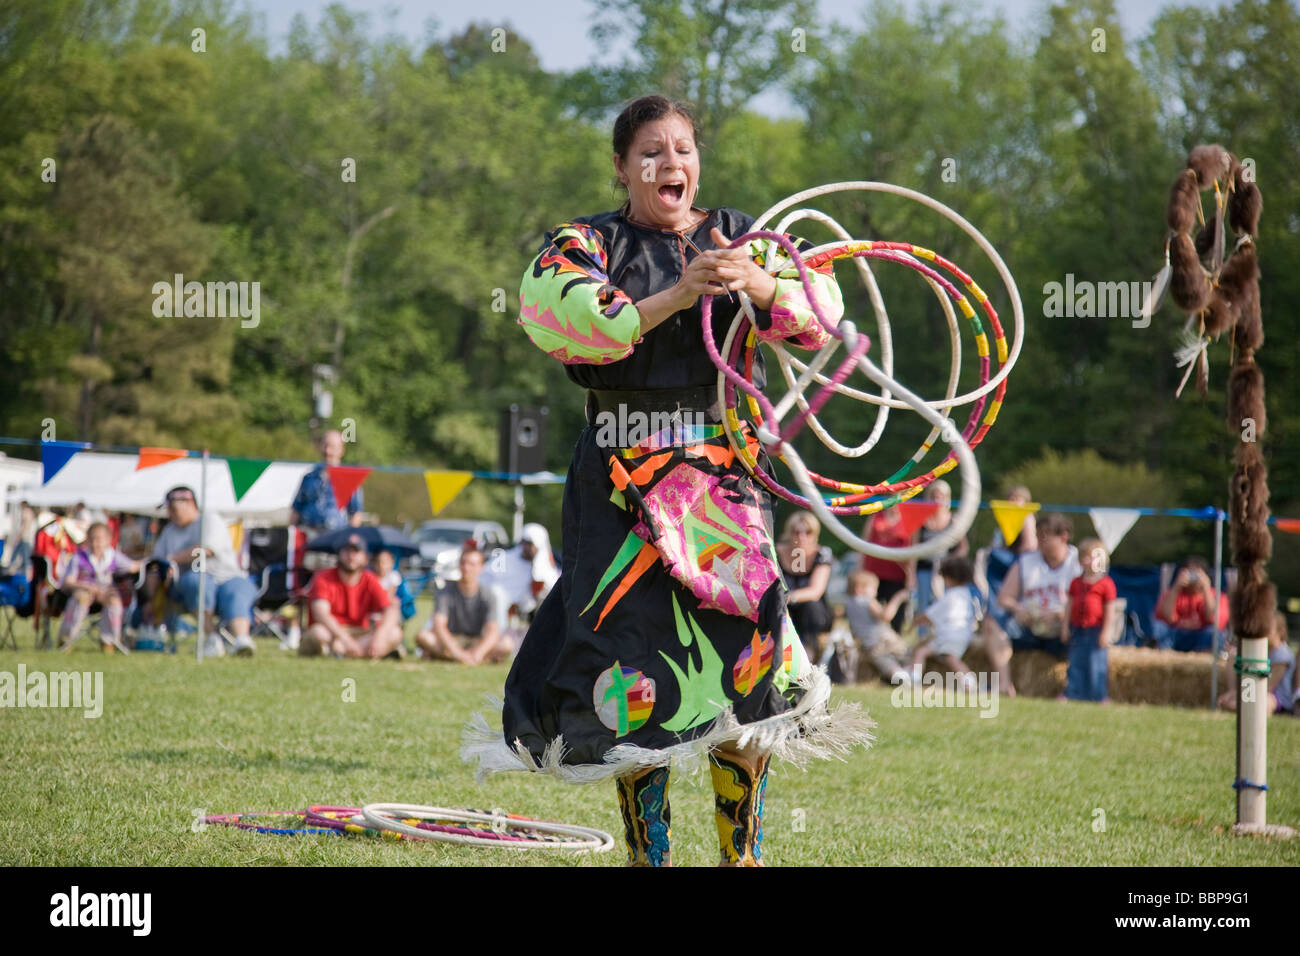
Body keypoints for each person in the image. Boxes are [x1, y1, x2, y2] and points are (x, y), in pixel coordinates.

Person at [466, 94, 867, 868]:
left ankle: (738, 855)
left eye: (682, 148)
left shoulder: (743, 235)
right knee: (635, 672)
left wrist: (753, 282)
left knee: (749, 676)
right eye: (650, 151)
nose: (670, 163)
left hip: (723, 478)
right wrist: (682, 292)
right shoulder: (585, 243)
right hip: (620, 483)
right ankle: (647, 858)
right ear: (622, 168)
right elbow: (574, 319)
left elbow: (817, 317)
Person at [151, 486, 257, 656]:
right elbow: (157, 560)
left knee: (237, 591)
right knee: (197, 582)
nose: (170, 513)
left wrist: (173, 558)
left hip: (227, 577)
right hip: (192, 583)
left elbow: (206, 551)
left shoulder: (210, 519)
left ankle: (241, 640)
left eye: (173, 508)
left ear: (190, 503)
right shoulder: (169, 532)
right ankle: (212, 639)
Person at [994, 512, 1080, 663]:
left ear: (1063, 537)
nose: (1039, 541)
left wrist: (1060, 615)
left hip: (1064, 630)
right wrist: (1020, 609)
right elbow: (1003, 598)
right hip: (1028, 629)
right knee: (993, 624)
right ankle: (1004, 683)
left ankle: (1074, 684)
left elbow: (1090, 602)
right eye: (1038, 535)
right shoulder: (1026, 561)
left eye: (1045, 536)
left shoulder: (1079, 563)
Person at [301, 532, 402, 658]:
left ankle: (344, 652)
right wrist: (345, 639)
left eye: (356, 552)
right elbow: (321, 614)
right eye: (347, 551)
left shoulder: (370, 579)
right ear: (339, 554)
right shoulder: (323, 578)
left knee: (394, 633)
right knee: (319, 634)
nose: (351, 556)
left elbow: (391, 609)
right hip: (332, 631)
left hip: (359, 632)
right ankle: (358, 652)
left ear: (365, 557)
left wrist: (380, 636)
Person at [417, 547, 510, 664]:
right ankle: (479, 658)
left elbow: (493, 631)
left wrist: (478, 653)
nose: (466, 568)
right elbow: (439, 625)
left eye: (471, 564)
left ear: (480, 568)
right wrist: (458, 653)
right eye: (463, 563)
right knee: (423, 636)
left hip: (477, 641)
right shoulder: (445, 592)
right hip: (451, 640)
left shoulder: (489, 595)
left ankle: (448, 656)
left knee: (506, 644)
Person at [57, 522, 139, 652]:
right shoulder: (79, 557)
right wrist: (86, 586)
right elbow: (68, 582)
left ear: (108, 540)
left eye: (99, 539)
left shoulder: (113, 556)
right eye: (92, 539)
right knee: (81, 598)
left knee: (114, 600)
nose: (96, 543)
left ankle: (109, 640)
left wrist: (150, 563)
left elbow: (133, 566)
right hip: (83, 591)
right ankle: (66, 638)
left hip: (104, 592)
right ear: (87, 540)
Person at [1060, 538, 1118, 703]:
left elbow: (1110, 610)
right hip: (1077, 629)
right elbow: (1069, 606)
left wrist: (1106, 631)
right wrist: (1065, 627)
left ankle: (1098, 695)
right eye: (1083, 557)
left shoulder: (1106, 584)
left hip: (1096, 630)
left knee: (1097, 665)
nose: (1086, 561)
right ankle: (1073, 693)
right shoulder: (1076, 583)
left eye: (1090, 557)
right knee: (1076, 663)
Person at [910, 556, 981, 688]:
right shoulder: (966, 594)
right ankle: (914, 678)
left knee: (951, 658)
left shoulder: (951, 596)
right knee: (922, 651)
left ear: (948, 578)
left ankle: (970, 683)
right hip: (957, 634)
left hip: (951, 635)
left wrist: (915, 622)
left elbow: (929, 615)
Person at [776, 512, 834, 663]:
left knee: (810, 607)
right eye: (797, 532)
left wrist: (788, 597)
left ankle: (807, 660)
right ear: (789, 533)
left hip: (814, 613)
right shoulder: (776, 552)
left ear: (815, 534)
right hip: (785, 608)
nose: (802, 536)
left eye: (807, 532)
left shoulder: (822, 554)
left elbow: (815, 592)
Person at [843, 569, 912, 685]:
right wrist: (898, 598)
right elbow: (886, 615)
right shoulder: (868, 601)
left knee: (884, 661)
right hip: (883, 640)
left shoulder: (849, 603)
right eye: (873, 589)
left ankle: (898, 675)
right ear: (859, 589)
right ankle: (909, 675)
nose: (876, 592)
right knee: (903, 655)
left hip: (868, 644)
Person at [1218, 611, 1294, 715]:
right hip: (1256, 692)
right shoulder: (1261, 651)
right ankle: (1234, 696)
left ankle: (1240, 706)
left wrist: (1243, 696)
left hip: (1275, 697)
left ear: (1281, 632)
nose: (1262, 633)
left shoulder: (1283, 656)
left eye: (1267, 629)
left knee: (1264, 702)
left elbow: (1269, 687)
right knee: (1233, 656)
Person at [480, 523, 559, 623]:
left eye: (530, 544)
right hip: (499, 614)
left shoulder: (546, 570)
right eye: (524, 543)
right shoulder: (505, 559)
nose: (525, 547)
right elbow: (484, 579)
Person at [290, 430, 364, 535]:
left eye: (333, 447)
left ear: (341, 450)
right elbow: (296, 510)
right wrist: (291, 535)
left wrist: (348, 539)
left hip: (335, 537)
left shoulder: (349, 479)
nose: (328, 451)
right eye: (325, 446)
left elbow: (356, 514)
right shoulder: (309, 477)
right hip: (307, 534)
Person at [913, 479, 969, 613]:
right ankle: (924, 634)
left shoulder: (953, 520)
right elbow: (913, 548)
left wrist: (951, 561)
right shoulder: (920, 520)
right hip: (924, 568)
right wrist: (911, 574)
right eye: (934, 496)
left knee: (944, 604)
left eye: (940, 496)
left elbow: (963, 547)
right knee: (924, 606)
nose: (937, 499)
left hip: (946, 571)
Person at [1154, 556, 1229, 652]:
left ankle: (1204, 658)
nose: (1192, 578)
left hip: (1201, 637)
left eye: (1196, 574)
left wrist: (1206, 588)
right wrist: (1176, 587)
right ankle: (1164, 656)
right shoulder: (1171, 593)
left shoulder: (1217, 596)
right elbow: (1166, 618)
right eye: (1189, 573)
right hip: (1177, 635)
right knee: (1159, 628)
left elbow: (1214, 620)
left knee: (1213, 633)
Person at [860, 506, 914, 632]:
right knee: (870, 615)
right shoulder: (876, 514)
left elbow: (913, 547)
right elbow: (864, 542)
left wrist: (911, 576)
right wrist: (861, 570)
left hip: (897, 575)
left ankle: (894, 642)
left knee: (896, 617)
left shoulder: (908, 518)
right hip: (872, 575)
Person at [989, 484, 1039, 555]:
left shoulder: (1027, 517)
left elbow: (1029, 545)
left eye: (1016, 499)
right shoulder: (1005, 518)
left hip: (1020, 558)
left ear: (1026, 502)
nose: (1011, 502)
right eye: (1010, 499)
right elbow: (996, 542)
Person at [372, 548, 416, 624]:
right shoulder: (371, 577)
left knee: (394, 602)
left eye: (384, 562)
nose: (380, 565)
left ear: (391, 563)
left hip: (387, 607)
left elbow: (388, 596)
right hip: (375, 607)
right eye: (378, 562)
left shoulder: (393, 576)